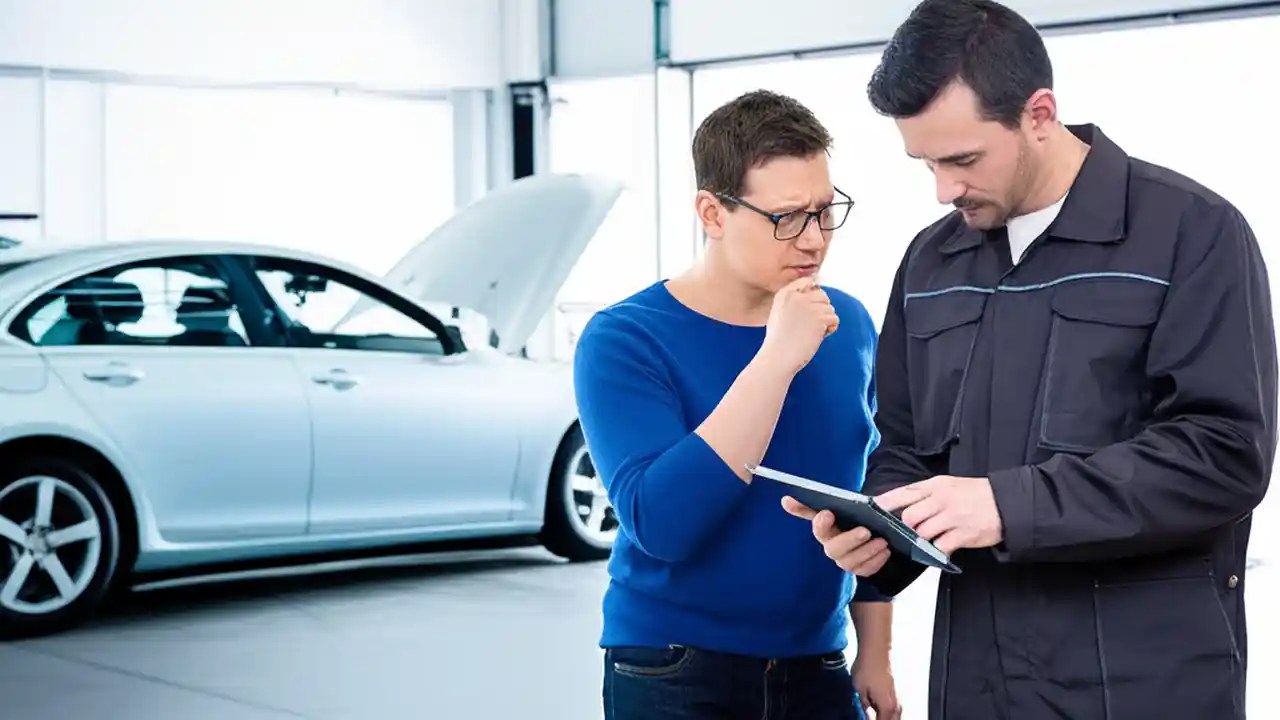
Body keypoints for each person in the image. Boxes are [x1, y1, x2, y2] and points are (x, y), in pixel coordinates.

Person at [783, 1, 1277, 719]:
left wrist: (1005, 505)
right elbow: (906, 449)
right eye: (925, 163)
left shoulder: (1192, 234)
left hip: (1143, 682)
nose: (944, 190)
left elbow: (1225, 456)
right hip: (980, 681)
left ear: (1039, 113)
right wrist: (881, 538)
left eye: (963, 160)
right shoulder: (932, 261)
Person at [573, 90, 901, 720]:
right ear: (712, 213)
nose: (814, 241)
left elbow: (867, 499)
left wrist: (875, 652)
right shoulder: (624, 338)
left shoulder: (850, 325)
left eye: (825, 212)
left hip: (819, 665)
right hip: (674, 667)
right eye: (786, 217)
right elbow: (663, 525)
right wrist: (775, 361)